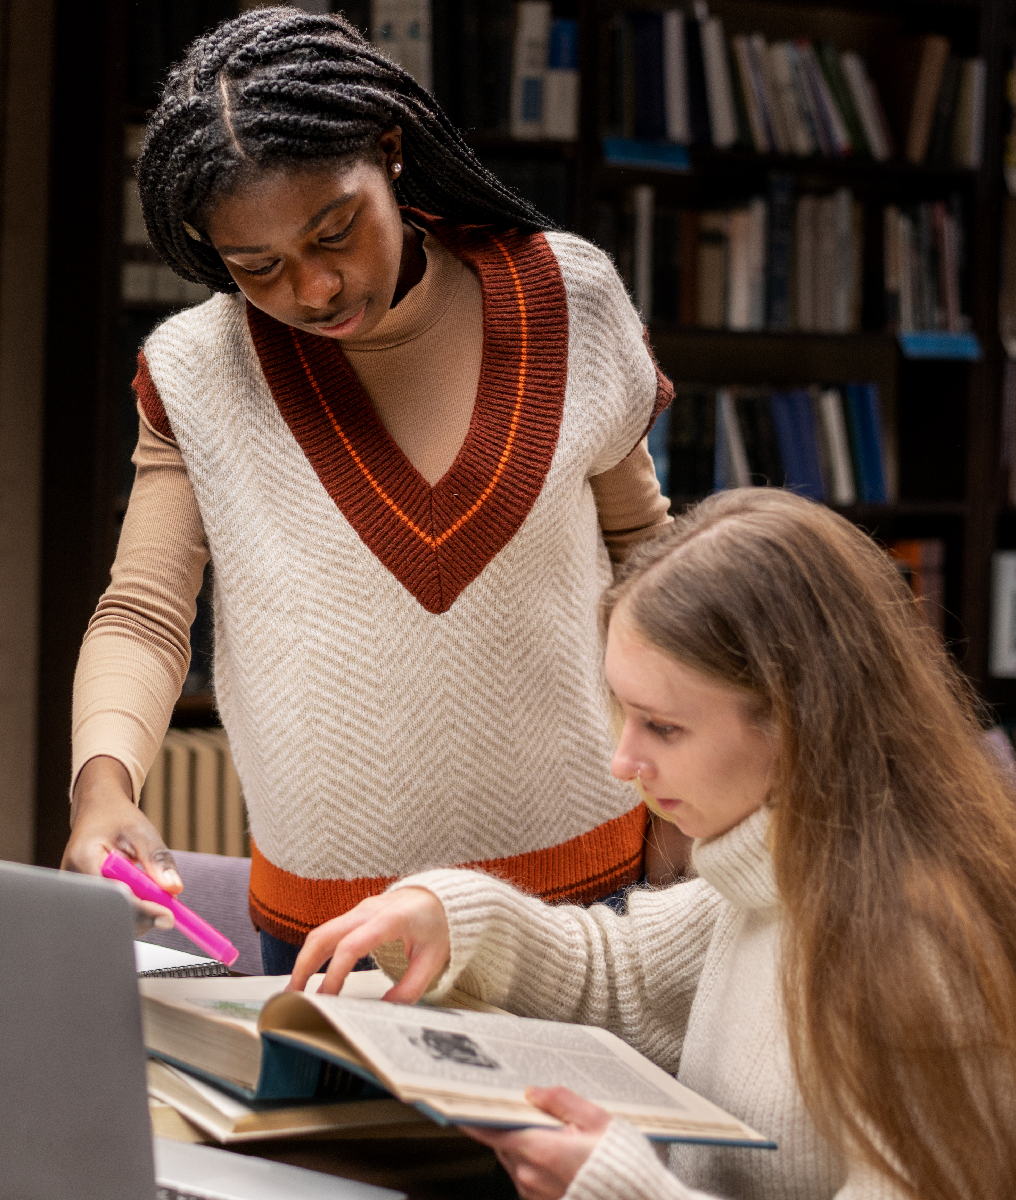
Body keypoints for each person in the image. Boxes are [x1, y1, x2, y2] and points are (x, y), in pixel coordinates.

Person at [63, 7, 688, 973]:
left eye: (336, 231)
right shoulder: (199, 371)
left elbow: (645, 559)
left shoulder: (570, 301)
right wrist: (101, 786)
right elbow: (144, 614)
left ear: (391, 154)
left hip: (582, 901)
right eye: (258, 267)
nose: (313, 289)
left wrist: (684, 788)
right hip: (323, 937)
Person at [292, 488, 1016, 1200]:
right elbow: (621, 976)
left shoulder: (917, 943)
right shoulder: (786, 869)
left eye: (662, 726)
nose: (623, 761)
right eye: (625, 715)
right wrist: (448, 916)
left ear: (797, 720)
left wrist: (625, 1191)